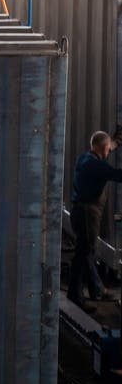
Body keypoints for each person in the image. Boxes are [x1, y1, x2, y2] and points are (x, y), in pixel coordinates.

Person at [68, 129, 122, 310]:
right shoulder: (97, 166)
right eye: (108, 148)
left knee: (88, 252)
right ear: (103, 147)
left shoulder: (84, 158)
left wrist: (115, 143)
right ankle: (75, 295)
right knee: (83, 254)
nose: (109, 151)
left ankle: (96, 289)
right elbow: (117, 175)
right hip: (87, 214)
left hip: (79, 212)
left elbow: (104, 147)